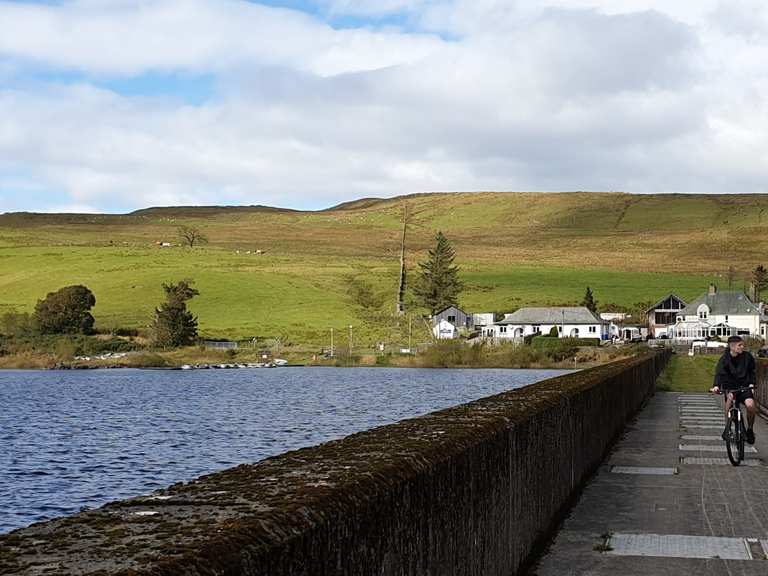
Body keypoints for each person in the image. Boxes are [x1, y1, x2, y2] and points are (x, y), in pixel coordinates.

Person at [711, 335, 757, 444]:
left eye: (742, 345)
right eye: (739, 345)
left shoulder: (748, 357)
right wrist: (716, 386)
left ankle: (750, 429)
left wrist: (751, 384)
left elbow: (752, 371)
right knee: (729, 402)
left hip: (744, 387)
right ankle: (727, 429)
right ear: (732, 347)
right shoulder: (724, 359)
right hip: (731, 387)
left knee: (750, 406)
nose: (742, 347)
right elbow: (719, 374)